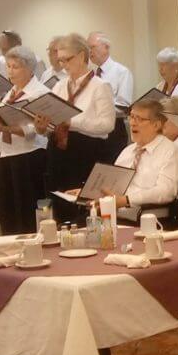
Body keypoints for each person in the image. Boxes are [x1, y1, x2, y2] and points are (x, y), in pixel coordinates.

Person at [35, 33, 115, 223]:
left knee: (82, 207)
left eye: (66, 59)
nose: (63, 64)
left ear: (81, 55)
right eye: (60, 60)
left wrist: (72, 122)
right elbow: (52, 122)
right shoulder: (60, 86)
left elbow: (107, 125)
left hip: (85, 151)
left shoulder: (100, 86)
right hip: (59, 150)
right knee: (59, 205)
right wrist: (42, 127)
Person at [66, 100, 178, 217]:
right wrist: (87, 194)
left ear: (156, 125)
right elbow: (113, 185)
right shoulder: (128, 151)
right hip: (115, 214)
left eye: (139, 119)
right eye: (131, 117)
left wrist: (126, 200)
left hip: (148, 218)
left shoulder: (171, 152)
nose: (132, 123)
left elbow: (165, 192)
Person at [0, 46, 50, 234]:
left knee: (26, 209)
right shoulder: (9, 93)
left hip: (28, 156)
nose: (10, 71)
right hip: (5, 153)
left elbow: (34, 130)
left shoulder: (39, 92)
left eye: (15, 67)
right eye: (9, 66)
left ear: (29, 69)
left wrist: (5, 127)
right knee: (7, 209)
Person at [88, 31, 133, 162]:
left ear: (106, 47)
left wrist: (99, 108)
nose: (89, 51)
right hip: (93, 131)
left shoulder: (122, 72)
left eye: (93, 47)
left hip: (113, 130)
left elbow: (123, 107)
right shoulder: (90, 74)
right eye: (88, 48)